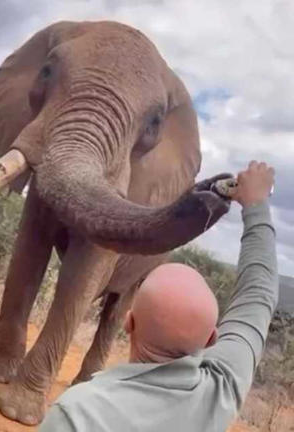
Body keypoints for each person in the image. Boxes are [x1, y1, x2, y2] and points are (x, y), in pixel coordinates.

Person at [38, 161, 278, 432]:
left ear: (129, 322)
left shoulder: (76, 413)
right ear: (212, 339)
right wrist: (257, 206)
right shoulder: (219, 393)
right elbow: (258, 294)